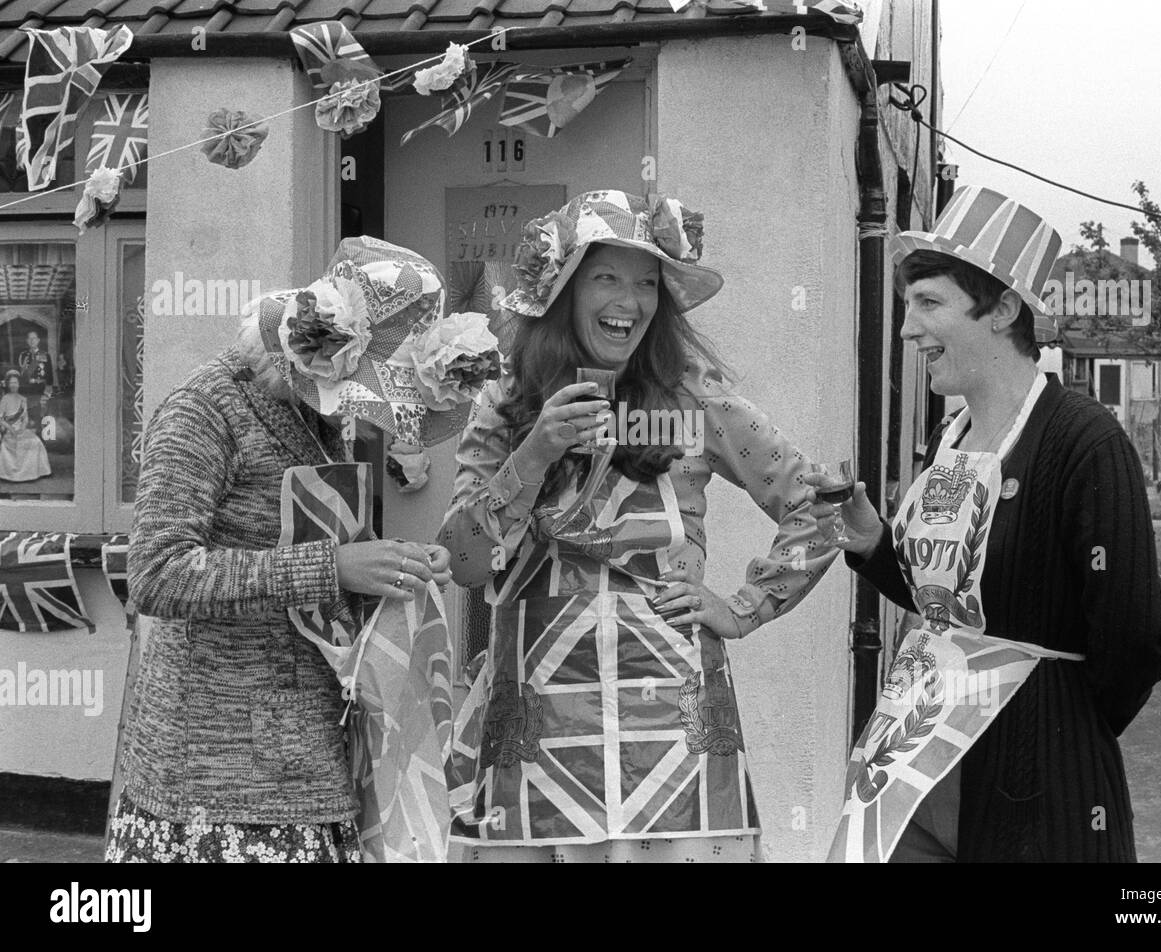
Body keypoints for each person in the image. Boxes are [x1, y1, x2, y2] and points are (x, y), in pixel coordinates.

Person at [437, 190, 836, 863]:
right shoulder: (504, 404)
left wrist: (743, 606)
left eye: (647, 282)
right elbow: (464, 562)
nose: (631, 300)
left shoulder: (695, 397)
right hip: (538, 730)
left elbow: (822, 505)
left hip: (674, 732)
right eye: (607, 277)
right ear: (563, 291)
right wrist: (533, 453)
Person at [812, 186, 1161, 863]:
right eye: (906, 306)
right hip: (914, 782)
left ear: (1004, 306)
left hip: (1031, 796)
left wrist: (1058, 728)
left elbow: (1137, 639)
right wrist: (872, 544)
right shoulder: (950, 438)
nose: (906, 329)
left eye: (929, 303)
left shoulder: (1084, 443)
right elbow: (952, 603)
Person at [107, 237, 466, 863]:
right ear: (313, 352)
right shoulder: (204, 410)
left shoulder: (317, 417)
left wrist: (388, 564)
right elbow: (156, 573)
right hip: (212, 776)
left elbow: (309, 547)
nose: (352, 407)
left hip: (304, 755)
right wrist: (334, 568)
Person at [0, 369, 51, 482]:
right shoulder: (5, 399)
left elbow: (25, 417)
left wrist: (22, 429)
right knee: (13, 443)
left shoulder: (23, 399)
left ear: (19, 384)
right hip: (9, 429)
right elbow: (1, 420)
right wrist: (12, 430)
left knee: (35, 442)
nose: (14, 385)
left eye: (16, 383)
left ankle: (32, 473)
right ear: (8, 385)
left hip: (21, 430)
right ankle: (11, 474)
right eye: (11, 383)